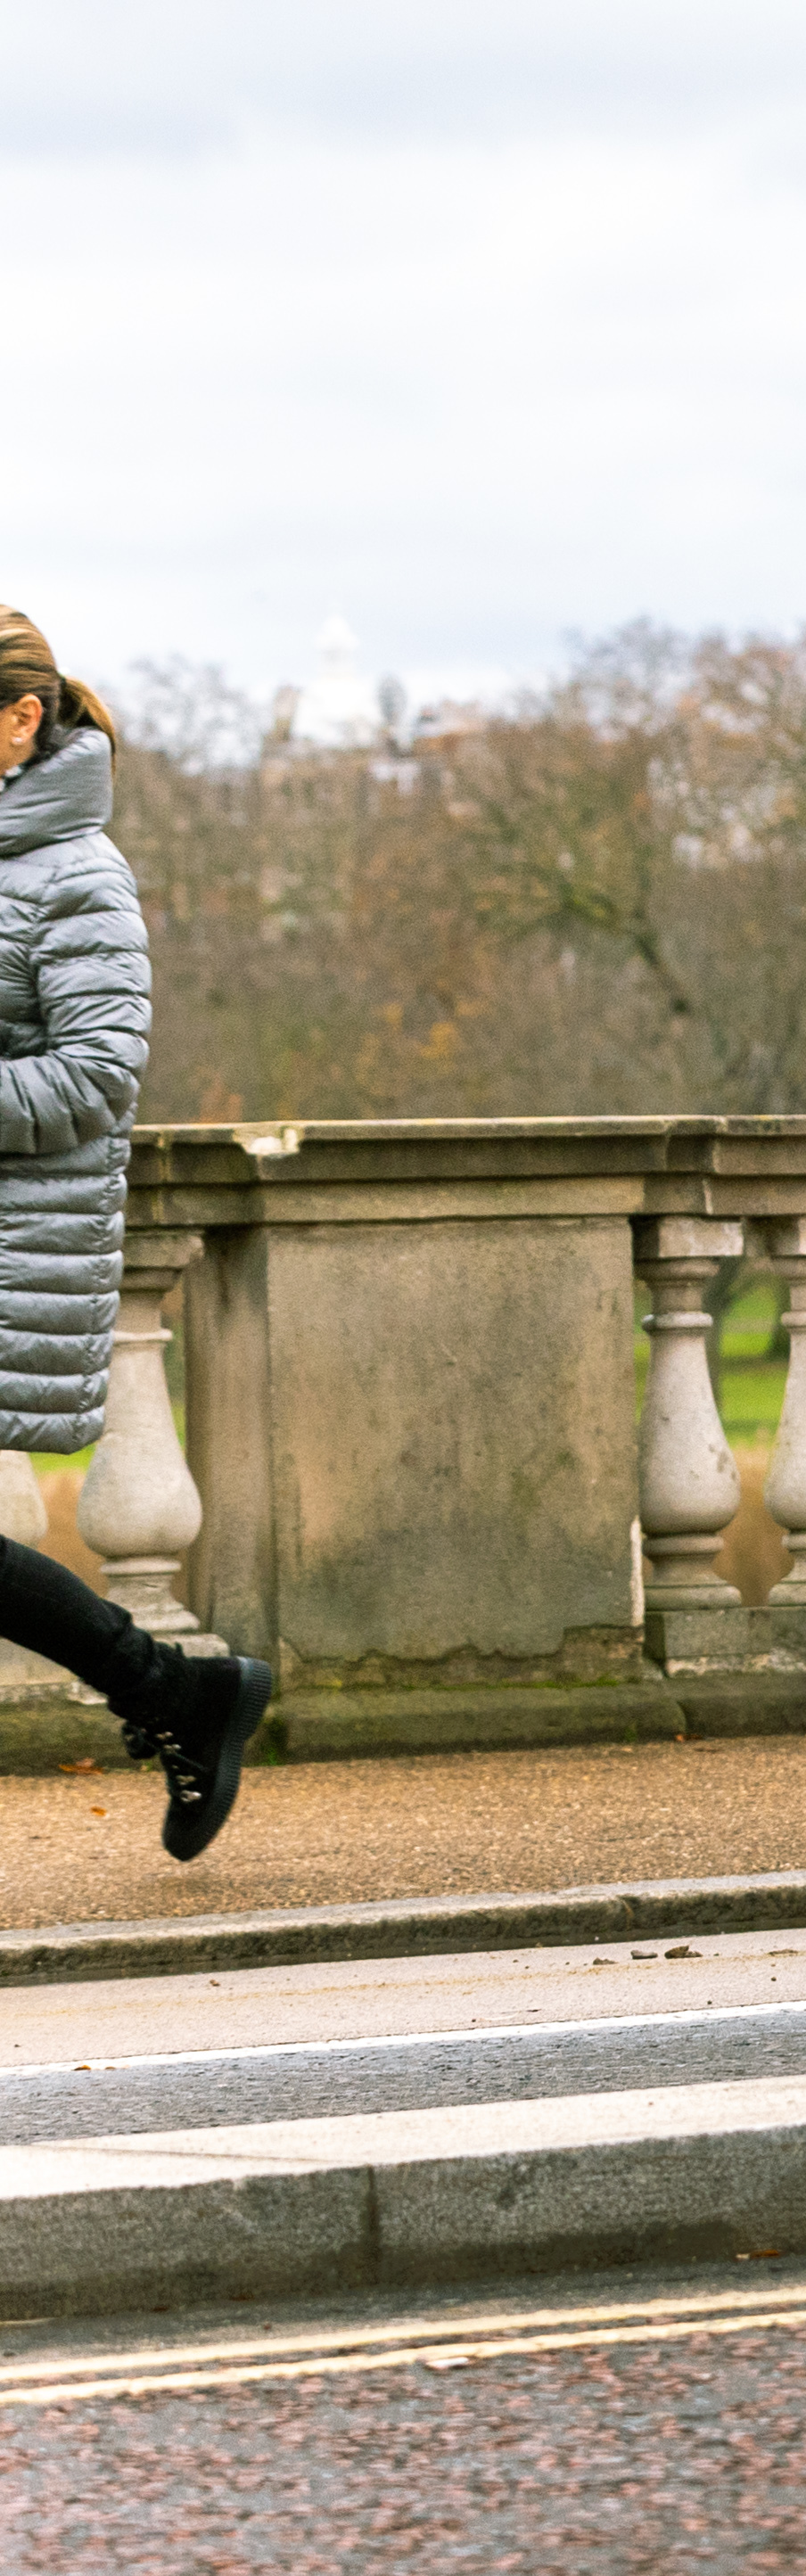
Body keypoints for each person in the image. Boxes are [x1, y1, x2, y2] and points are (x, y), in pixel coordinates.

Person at [0, 609, 276, 1855]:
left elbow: (100, 1072)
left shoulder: (78, 873)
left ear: (19, 721)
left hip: (17, 1248)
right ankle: (180, 1690)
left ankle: (179, 1689)